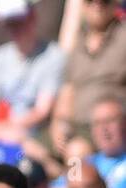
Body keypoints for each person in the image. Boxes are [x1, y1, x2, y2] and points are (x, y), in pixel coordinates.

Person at [0, 0, 65, 163]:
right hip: (5, 134)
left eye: (19, 21)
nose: (15, 29)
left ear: (32, 17)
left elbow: (42, 112)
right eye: (10, 23)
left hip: (39, 136)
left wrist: (0, 130)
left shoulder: (54, 56)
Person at [52, 0, 126, 154]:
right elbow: (67, 89)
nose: (97, 3)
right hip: (78, 127)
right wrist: (59, 122)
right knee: (27, 149)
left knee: (76, 154)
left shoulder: (123, 36)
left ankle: (77, 176)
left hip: (113, 127)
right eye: (90, 0)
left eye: (104, 0)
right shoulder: (76, 44)